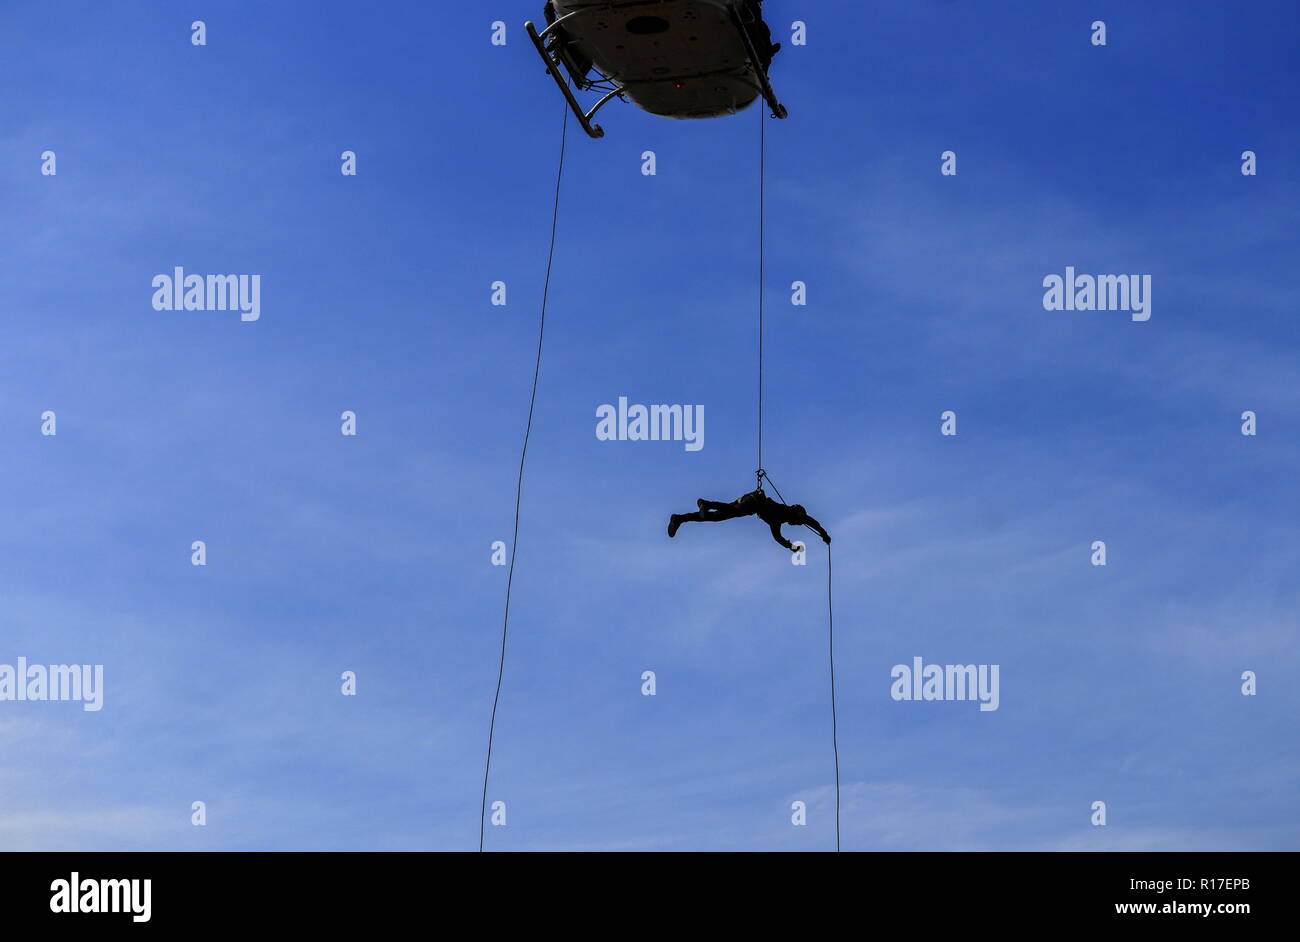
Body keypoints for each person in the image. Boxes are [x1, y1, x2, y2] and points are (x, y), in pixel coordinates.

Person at [668, 487, 830, 552]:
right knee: (732, 512)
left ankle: (680, 518)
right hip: (754, 501)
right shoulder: (787, 512)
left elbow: (777, 537)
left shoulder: (777, 521)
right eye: (799, 520)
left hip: (750, 502)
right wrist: (823, 534)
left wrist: (791, 547)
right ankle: (706, 503)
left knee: (718, 516)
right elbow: (810, 521)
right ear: (797, 513)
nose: (798, 523)